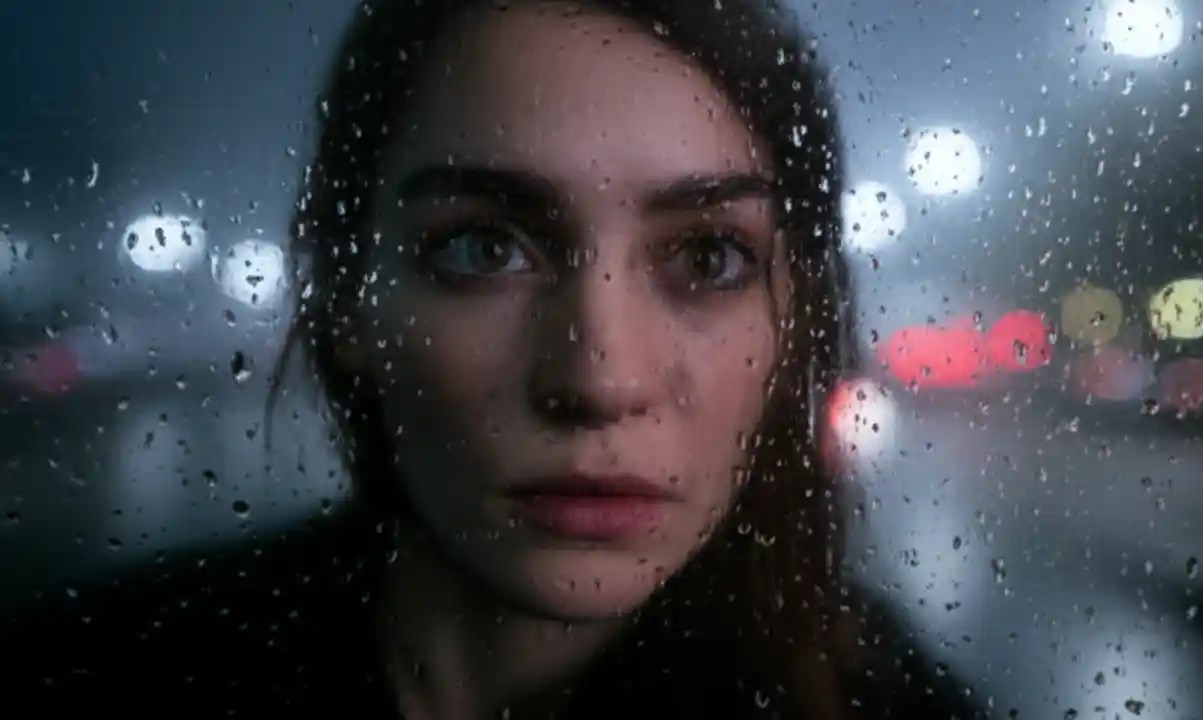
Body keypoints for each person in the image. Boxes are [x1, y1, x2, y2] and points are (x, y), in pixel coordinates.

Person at [2, 1, 980, 717]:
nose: (599, 381)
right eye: (481, 249)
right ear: (347, 297)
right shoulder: (97, 674)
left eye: (706, 257)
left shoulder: (886, 707)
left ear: (792, 319)